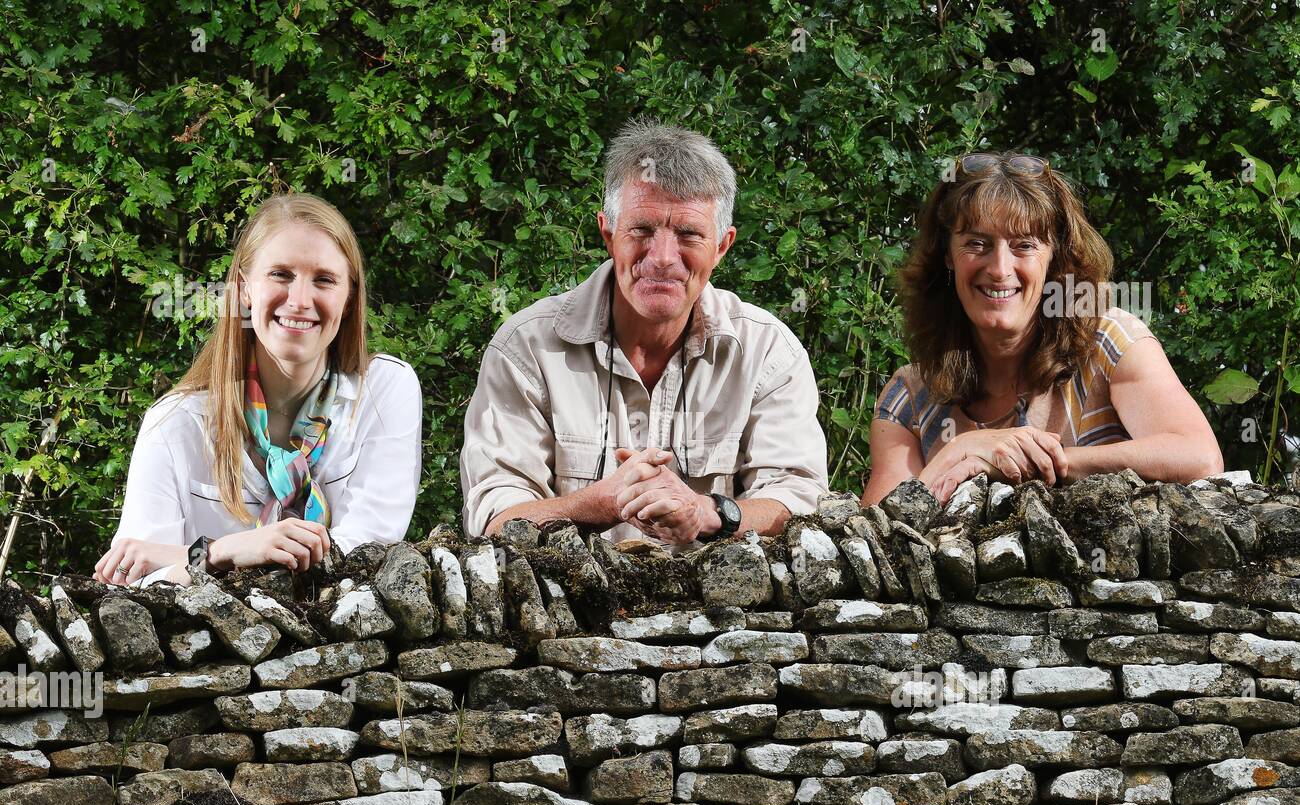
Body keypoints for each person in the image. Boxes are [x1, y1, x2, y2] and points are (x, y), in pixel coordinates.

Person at [460, 117, 828, 548]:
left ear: (722, 246)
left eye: (689, 234)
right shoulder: (526, 348)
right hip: (563, 612)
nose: (663, 258)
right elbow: (494, 516)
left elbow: (800, 500)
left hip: (731, 613)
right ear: (608, 233)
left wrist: (708, 513)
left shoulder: (768, 352)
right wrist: (601, 503)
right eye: (642, 230)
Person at [94, 193, 422, 587]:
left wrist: (189, 557)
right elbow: (135, 583)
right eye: (281, 274)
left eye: (324, 279)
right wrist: (222, 552)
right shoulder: (174, 425)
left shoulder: (385, 392)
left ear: (350, 298)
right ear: (244, 290)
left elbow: (367, 554)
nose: (300, 301)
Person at [863, 151, 1224, 508]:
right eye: (977, 243)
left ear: (1054, 257)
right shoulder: (910, 397)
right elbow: (873, 535)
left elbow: (1199, 457)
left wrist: (1042, 462)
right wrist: (960, 450)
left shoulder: (1109, 343)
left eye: (1024, 246)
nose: (1000, 268)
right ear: (946, 255)